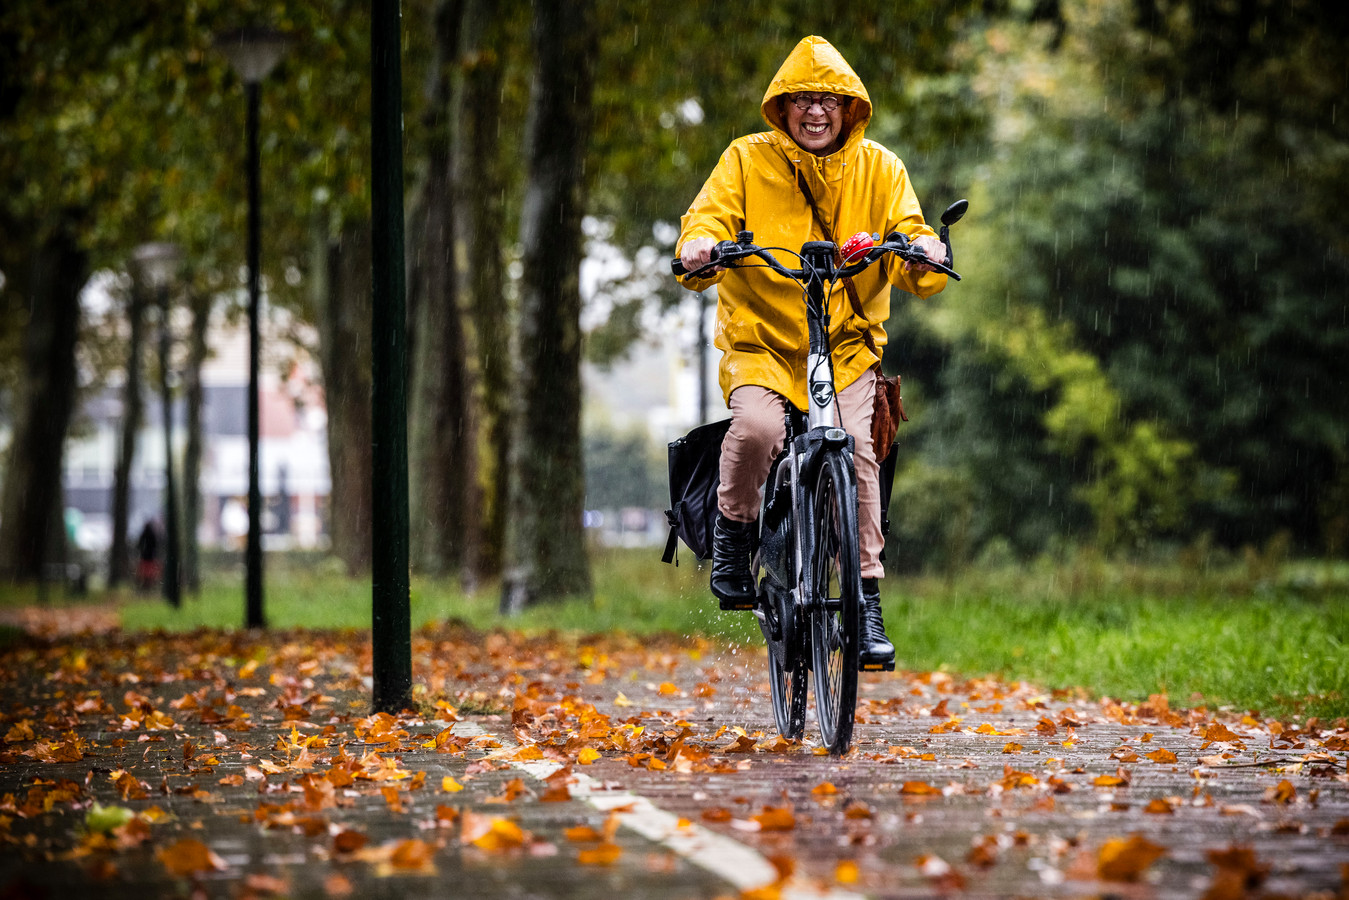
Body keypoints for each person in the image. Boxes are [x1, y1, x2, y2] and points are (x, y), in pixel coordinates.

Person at [676, 35, 949, 669]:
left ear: (850, 107)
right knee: (757, 427)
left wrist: (926, 249)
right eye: (802, 99)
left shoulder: (880, 168)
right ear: (782, 106)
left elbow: (910, 236)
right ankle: (734, 535)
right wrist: (700, 246)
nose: (815, 111)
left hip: (846, 349)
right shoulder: (746, 159)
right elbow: (707, 221)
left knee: (857, 451)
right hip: (765, 345)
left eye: (828, 98)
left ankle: (866, 597)